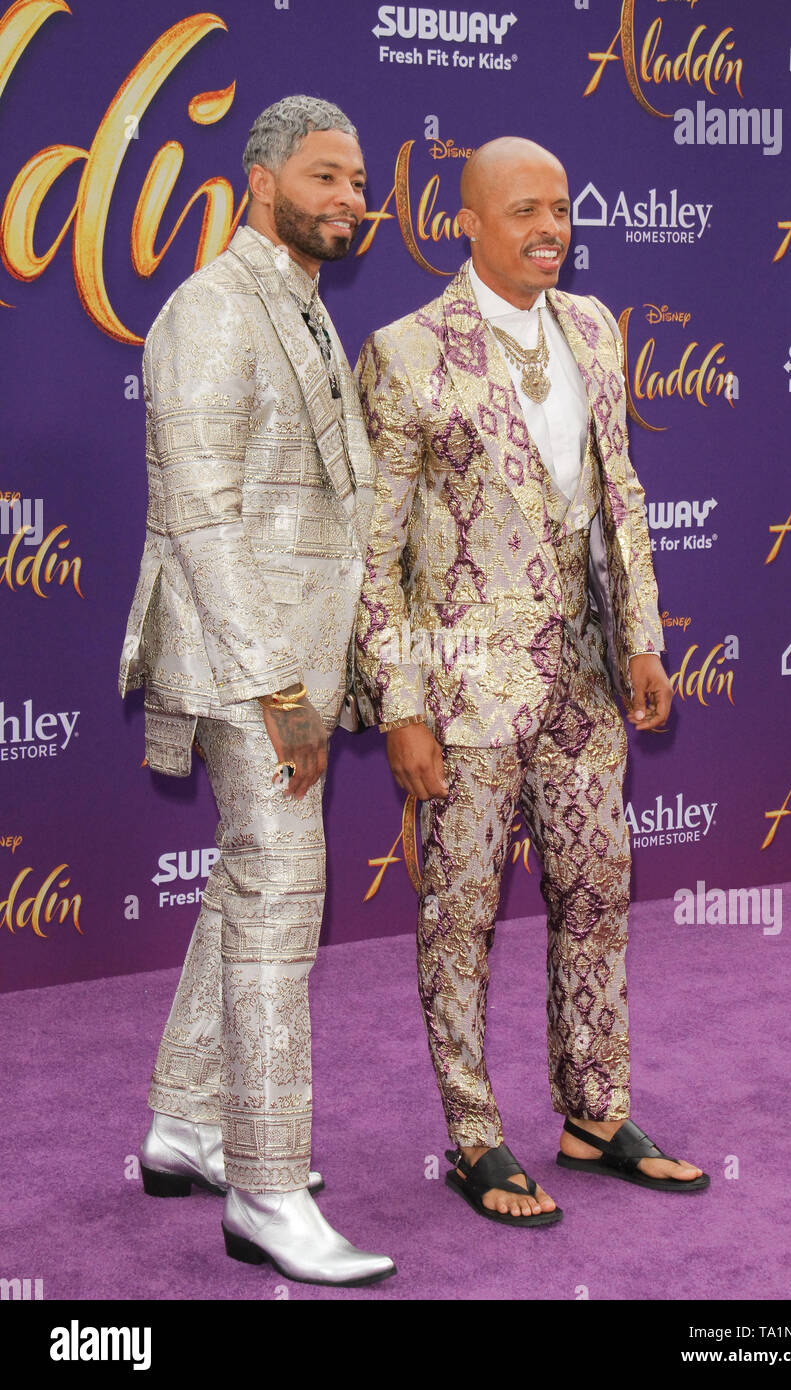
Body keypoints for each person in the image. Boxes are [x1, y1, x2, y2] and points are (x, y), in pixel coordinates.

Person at [354, 136, 708, 1228]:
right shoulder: (406, 351)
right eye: (524, 211)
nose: (549, 228)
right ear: (465, 221)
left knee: (596, 893)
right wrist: (399, 704)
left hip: (583, 680)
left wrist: (642, 637)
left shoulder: (595, 328)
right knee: (459, 917)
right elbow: (371, 555)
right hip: (459, 691)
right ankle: (470, 1134)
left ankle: (593, 1112)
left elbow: (622, 493)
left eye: (559, 208)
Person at [118, 95, 395, 1284]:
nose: (348, 197)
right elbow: (202, 518)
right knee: (283, 900)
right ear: (262, 179)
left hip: (297, 664)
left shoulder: (306, 309)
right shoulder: (207, 311)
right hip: (245, 668)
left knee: (248, 886)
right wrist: (281, 691)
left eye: (358, 179)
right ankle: (269, 1193)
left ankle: (185, 1122)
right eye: (325, 176)